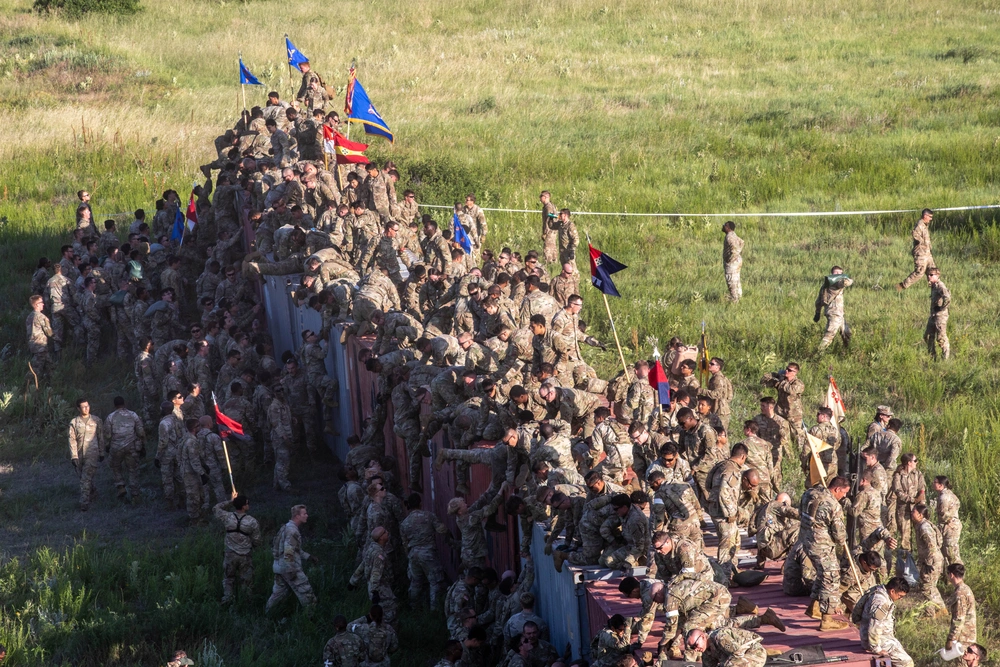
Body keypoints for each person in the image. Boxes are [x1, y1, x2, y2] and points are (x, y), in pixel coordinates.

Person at [800, 476, 850, 631]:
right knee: (831, 577)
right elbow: (839, 536)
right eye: (844, 493)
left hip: (806, 541)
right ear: (837, 489)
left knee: (822, 574)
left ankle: (814, 607)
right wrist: (843, 539)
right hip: (821, 546)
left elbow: (799, 512)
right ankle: (827, 619)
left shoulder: (809, 493)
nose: (845, 496)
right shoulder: (833, 505)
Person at [266, 504, 318, 614]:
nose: (307, 516)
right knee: (308, 596)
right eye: (304, 514)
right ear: (297, 516)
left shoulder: (286, 527)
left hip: (279, 566)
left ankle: (268, 614)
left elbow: (294, 549)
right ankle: (311, 619)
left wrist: (309, 557)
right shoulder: (292, 531)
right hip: (289, 568)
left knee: (278, 595)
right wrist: (291, 570)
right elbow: (288, 551)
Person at [213, 493, 262, 605]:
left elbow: (216, 508)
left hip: (230, 553)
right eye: (247, 503)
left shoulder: (227, 517)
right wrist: (253, 546)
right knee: (246, 580)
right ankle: (246, 601)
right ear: (244, 506)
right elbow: (257, 540)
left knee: (228, 578)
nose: (248, 505)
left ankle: (227, 598)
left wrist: (231, 501)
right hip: (245, 555)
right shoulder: (252, 521)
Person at [855, 577, 912, 667]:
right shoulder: (881, 602)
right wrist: (877, 649)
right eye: (900, 596)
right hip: (877, 641)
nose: (900, 599)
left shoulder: (879, 590)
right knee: (906, 663)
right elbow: (874, 627)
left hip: (883, 637)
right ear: (892, 591)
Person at [103, 396, 145, 503]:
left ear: (115, 405)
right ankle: (135, 494)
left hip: (116, 447)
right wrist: (142, 445)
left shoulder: (110, 417)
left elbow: (107, 435)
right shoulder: (133, 415)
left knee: (115, 466)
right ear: (124, 403)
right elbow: (140, 432)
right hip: (131, 446)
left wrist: (107, 446)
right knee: (133, 469)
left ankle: (120, 486)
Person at [69, 398, 104, 511]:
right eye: (83, 407)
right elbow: (72, 440)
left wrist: (102, 452)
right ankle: (94, 493)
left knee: (85, 478)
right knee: (83, 477)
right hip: (79, 455)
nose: (86, 408)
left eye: (87, 406)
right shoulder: (74, 422)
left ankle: (84, 503)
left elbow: (100, 437)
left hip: (92, 453)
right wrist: (74, 456)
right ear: (78, 408)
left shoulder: (96, 420)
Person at [814, 265, 853, 350]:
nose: (838, 274)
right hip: (835, 314)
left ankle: (847, 351)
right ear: (832, 273)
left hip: (838, 314)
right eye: (836, 272)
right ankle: (819, 352)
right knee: (829, 334)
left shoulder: (825, 285)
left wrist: (817, 313)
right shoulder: (836, 283)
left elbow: (818, 302)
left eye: (840, 273)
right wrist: (848, 279)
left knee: (846, 333)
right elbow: (845, 283)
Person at [686, 627, 767, 667]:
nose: (696, 649)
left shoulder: (720, 637)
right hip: (740, 659)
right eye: (692, 648)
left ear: (703, 637)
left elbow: (738, 654)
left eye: (695, 645)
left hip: (755, 653)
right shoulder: (706, 652)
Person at [898, 208, 934, 290]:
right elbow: (915, 234)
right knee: (919, 272)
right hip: (921, 254)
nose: (931, 219)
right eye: (930, 217)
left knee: (933, 271)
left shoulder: (924, 225)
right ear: (925, 216)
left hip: (927, 254)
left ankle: (936, 289)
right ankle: (901, 286)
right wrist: (921, 242)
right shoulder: (920, 225)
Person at [945, 563, 978, 652]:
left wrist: (951, 639)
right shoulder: (965, 588)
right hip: (968, 636)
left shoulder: (960, 593)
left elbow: (959, 618)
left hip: (962, 639)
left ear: (951, 575)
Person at [934, 475, 963, 566]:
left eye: (935, 482)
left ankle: (958, 573)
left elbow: (943, 515)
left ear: (940, 485)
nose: (933, 484)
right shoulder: (950, 494)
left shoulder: (944, 497)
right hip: (952, 525)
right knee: (949, 552)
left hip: (950, 526)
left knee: (951, 552)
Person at [924, 266, 951, 360]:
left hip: (940, 317)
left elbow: (947, 298)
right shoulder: (933, 286)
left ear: (937, 275)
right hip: (933, 315)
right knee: (928, 336)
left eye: (931, 275)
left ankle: (945, 359)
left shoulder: (940, 286)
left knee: (941, 338)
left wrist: (941, 308)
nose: (929, 277)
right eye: (928, 275)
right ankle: (932, 357)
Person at [26, 294, 54, 381]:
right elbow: (49, 332)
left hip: (33, 344)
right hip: (40, 345)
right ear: (36, 304)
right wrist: (56, 337)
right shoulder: (41, 317)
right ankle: (27, 385)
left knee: (49, 366)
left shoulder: (29, 317)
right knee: (36, 368)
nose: (43, 304)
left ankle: (51, 384)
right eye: (41, 302)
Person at [721, 221, 744, 302]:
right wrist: (738, 253)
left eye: (725, 225)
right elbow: (741, 242)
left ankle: (734, 299)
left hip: (732, 263)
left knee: (731, 280)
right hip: (737, 260)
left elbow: (733, 247)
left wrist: (731, 258)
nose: (723, 226)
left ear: (728, 228)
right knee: (737, 279)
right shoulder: (734, 235)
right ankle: (739, 297)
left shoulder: (729, 237)